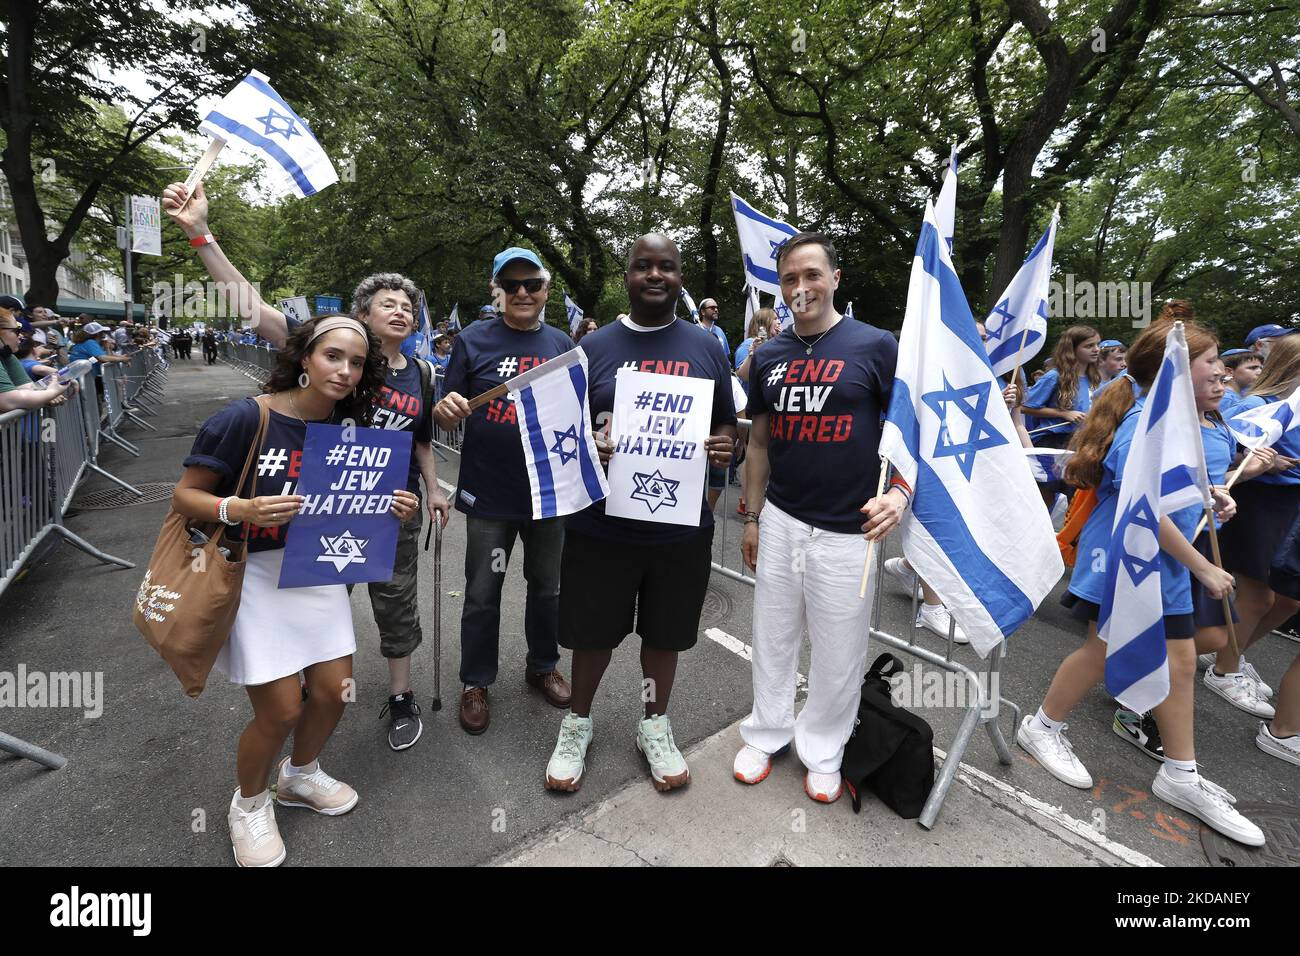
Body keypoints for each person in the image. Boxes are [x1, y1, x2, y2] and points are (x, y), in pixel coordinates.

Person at [164, 180, 453, 752]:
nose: (401, 310)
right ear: (360, 315)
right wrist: (200, 234)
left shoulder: (418, 372)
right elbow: (253, 307)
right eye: (387, 302)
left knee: (396, 604)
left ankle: (399, 696)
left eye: (409, 305)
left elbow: (419, 440)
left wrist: (433, 485)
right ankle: (297, 695)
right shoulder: (334, 359)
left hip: (391, 512)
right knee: (320, 605)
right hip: (317, 510)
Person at [1016, 319, 1266, 847]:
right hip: (1128, 557)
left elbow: (1179, 489)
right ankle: (1042, 726)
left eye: (1221, 359)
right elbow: (1141, 507)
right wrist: (1202, 566)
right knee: (1103, 648)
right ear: (1175, 372)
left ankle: (1179, 773)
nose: (1222, 369)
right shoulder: (1145, 426)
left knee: (1177, 661)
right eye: (1210, 360)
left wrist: (1213, 497)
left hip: (1168, 560)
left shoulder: (1203, 419)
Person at [172, 314, 407, 866]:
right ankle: (249, 803)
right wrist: (238, 507)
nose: (345, 371)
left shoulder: (352, 426)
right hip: (250, 572)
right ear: (304, 358)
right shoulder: (243, 418)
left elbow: (360, 499)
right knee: (278, 710)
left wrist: (398, 505)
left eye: (356, 362)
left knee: (334, 690)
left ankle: (300, 775)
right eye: (333, 357)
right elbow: (185, 497)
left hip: (316, 571)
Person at [543, 233, 737, 793]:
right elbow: (562, 432)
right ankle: (577, 724)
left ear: (680, 276)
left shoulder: (706, 347)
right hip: (602, 524)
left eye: (667, 267)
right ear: (626, 276)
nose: (656, 275)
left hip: (677, 528)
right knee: (592, 632)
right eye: (643, 266)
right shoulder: (594, 348)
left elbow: (725, 421)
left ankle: (653, 724)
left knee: (666, 632)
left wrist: (724, 446)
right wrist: (589, 446)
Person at [734, 232, 906, 802]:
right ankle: (767, 732)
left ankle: (823, 747)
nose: (800, 288)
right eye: (789, 279)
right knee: (773, 636)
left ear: (835, 278)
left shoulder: (878, 345)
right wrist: (753, 517)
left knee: (839, 649)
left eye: (811, 275)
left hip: (848, 530)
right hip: (782, 520)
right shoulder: (769, 355)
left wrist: (899, 496)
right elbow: (758, 443)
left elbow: (911, 436)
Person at [433, 247, 576, 734]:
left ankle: (543, 667)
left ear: (546, 290)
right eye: (510, 284)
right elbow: (443, 405)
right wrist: (445, 408)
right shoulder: (472, 340)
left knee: (548, 590)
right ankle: (475, 681)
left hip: (547, 496)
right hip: (489, 495)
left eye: (531, 284)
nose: (521, 293)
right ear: (496, 290)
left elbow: (576, 412)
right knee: (482, 593)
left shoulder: (561, 343)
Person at [1207, 332, 1300, 717]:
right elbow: (1224, 447)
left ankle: (1231, 652)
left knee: (1286, 601)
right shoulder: (1262, 405)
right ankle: (1224, 667)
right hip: (1259, 499)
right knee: (1258, 595)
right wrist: (1264, 461)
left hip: (1287, 504)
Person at [1022, 326, 1101, 508]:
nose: (1096, 349)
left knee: (1078, 497)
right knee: (1044, 498)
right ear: (1072, 350)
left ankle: (1070, 535)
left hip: (1081, 444)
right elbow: (1026, 407)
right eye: (1089, 346)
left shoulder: (1095, 377)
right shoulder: (1054, 376)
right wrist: (1064, 414)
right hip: (1053, 443)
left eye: (1097, 344)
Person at [0, 309, 72, 413]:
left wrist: (42, 396)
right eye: (16, 331)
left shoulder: (7, 355)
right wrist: (51, 392)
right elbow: (9, 400)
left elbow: (29, 388)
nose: (21, 336)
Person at [696, 298, 730, 362]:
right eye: (712, 308)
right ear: (703, 312)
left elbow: (725, 356)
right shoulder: (694, 330)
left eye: (716, 307)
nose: (716, 310)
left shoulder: (720, 331)